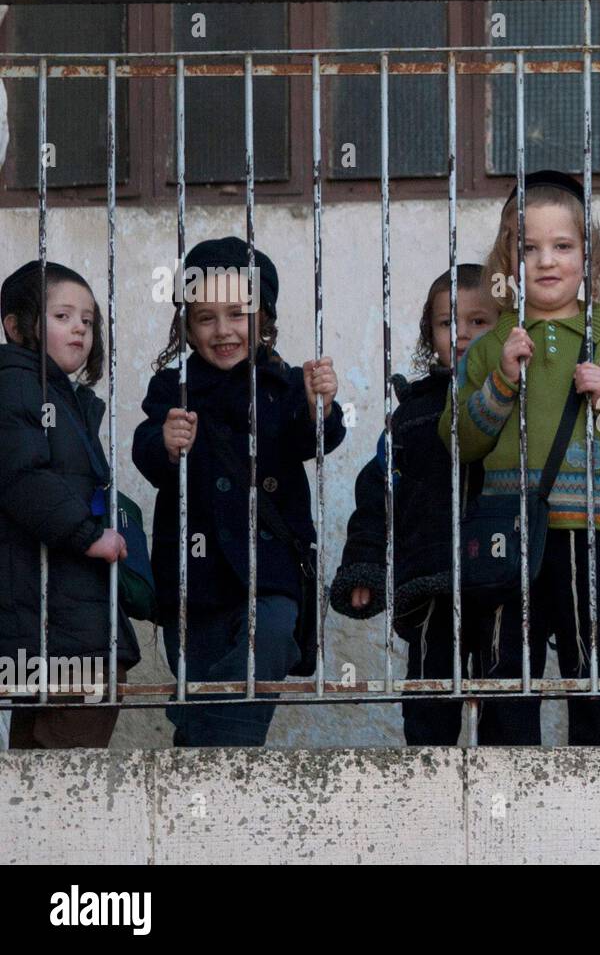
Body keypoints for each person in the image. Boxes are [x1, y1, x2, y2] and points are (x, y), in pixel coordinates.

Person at [440, 170, 600, 746]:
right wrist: (502, 383)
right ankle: (504, 789)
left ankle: (596, 782)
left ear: (589, 254)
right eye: (529, 248)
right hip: (508, 530)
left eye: (562, 246)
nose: (546, 261)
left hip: (593, 527)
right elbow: (456, 440)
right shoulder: (490, 346)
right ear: (509, 262)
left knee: (592, 666)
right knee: (508, 668)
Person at [133, 237, 345, 747]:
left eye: (237, 313)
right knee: (203, 676)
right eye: (206, 317)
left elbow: (314, 439)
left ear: (264, 318)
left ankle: (199, 748)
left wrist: (320, 407)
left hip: (269, 569)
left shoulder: (285, 383)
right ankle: (208, 765)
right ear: (186, 325)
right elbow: (148, 454)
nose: (223, 330)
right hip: (194, 576)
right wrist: (163, 442)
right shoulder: (171, 388)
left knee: (271, 633)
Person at [330, 264, 499, 745]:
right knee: (428, 694)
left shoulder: (515, 399)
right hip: (428, 578)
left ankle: (507, 789)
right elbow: (378, 489)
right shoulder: (412, 412)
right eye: (448, 323)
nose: (462, 334)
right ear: (430, 333)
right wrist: (364, 565)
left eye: (478, 322)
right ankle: (429, 783)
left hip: (498, 576)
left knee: (506, 691)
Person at [0, 260, 141, 748]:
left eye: (88, 318)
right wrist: (88, 536)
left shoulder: (61, 397)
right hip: (57, 616)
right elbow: (22, 478)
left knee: (38, 762)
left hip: (62, 609)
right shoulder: (17, 385)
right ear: (17, 326)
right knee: (67, 757)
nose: (80, 326)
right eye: (62, 316)